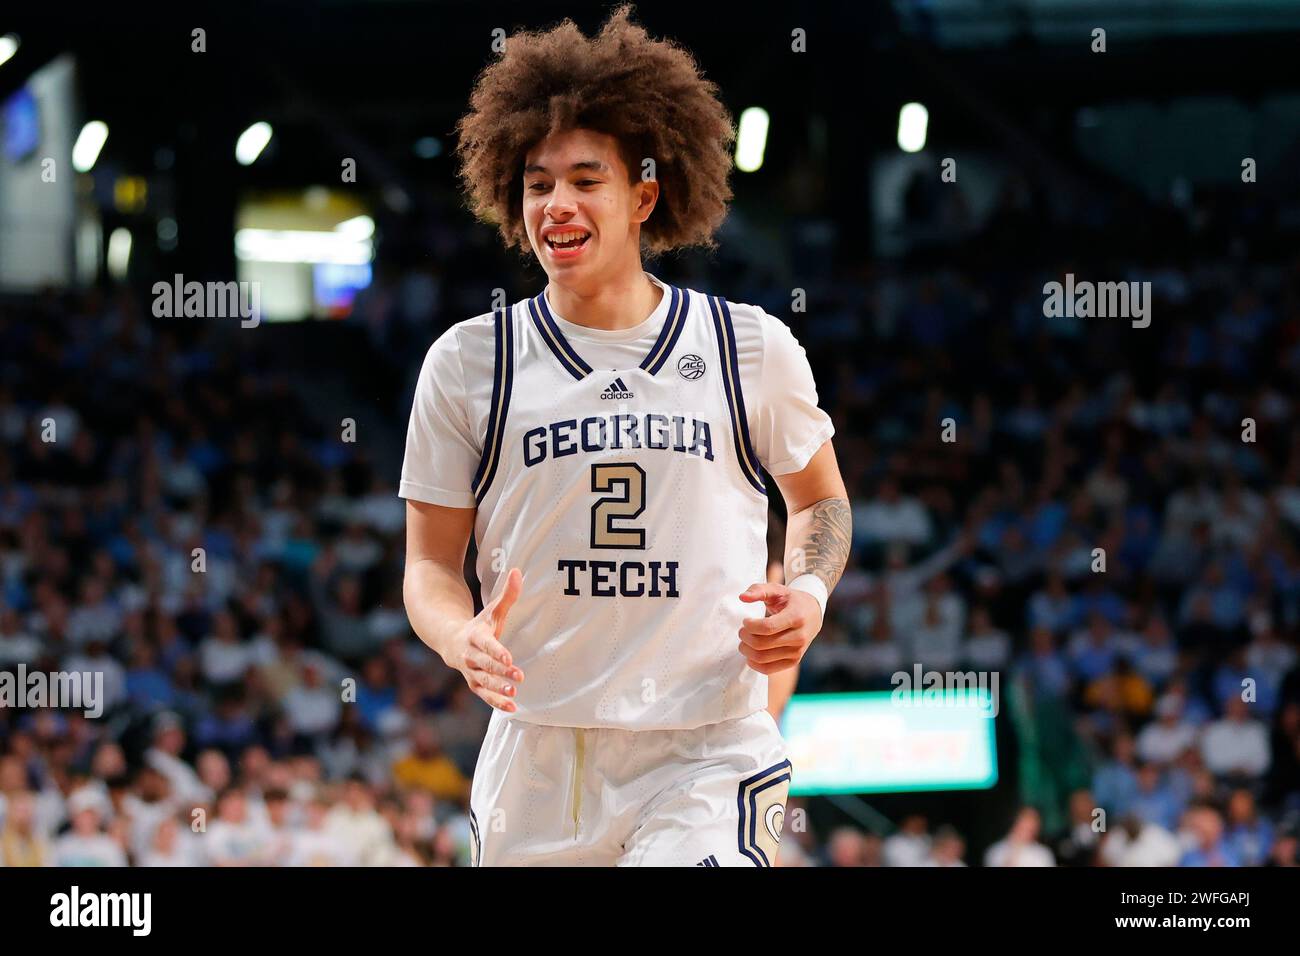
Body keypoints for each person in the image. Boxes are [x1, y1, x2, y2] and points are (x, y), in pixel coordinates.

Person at [400, 6, 848, 867]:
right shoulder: (468, 363)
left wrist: (811, 593)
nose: (556, 205)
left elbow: (821, 500)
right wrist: (457, 636)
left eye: (584, 179)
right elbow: (428, 565)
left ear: (645, 193)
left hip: (704, 747)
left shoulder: (748, 346)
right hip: (535, 751)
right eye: (536, 184)